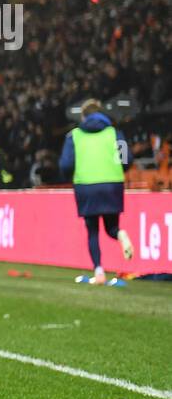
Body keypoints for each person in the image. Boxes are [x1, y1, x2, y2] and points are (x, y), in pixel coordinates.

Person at [60, 98, 134, 284]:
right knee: (111, 227)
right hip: (112, 184)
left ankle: (99, 272)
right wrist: (118, 170)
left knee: (92, 230)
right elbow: (127, 158)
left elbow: (66, 164)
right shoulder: (115, 133)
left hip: (86, 186)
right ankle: (120, 234)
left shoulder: (74, 136)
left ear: (83, 116)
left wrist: (71, 175)